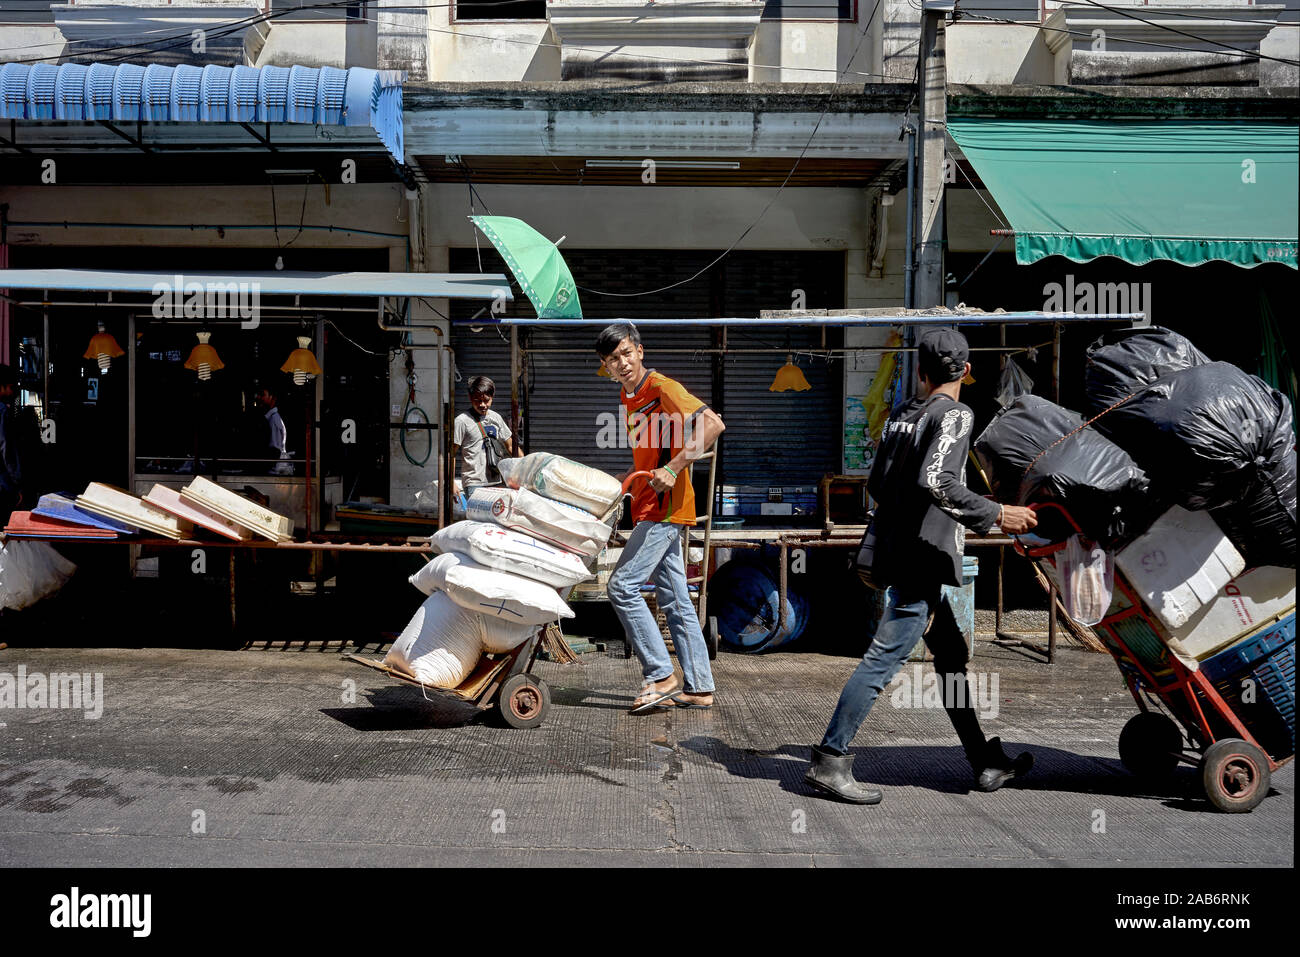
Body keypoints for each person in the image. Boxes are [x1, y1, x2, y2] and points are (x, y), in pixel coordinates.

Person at [804, 328, 1040, 804]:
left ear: (920, 370)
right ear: (967, 372)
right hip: (921, 560)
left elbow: (879, 482)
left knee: (950, 659)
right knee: (882, 659)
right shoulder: (954, 414)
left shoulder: (901, 416)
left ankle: (984, 759)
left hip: (901, 552)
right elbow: (938, 481)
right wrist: (998, 514)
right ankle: (830, 759)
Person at [596, 323, 725, 713]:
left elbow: (713, 424)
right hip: (649, 505)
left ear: (640, 350)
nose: (622, 363)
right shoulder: (628, 394)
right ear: (607, 365)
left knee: (622, 586)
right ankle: (700, 686)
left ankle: (659, 674)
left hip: (667, 509)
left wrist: (674, 467)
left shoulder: (661, 388)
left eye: (626, 353)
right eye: (613, 359)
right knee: (676, 600)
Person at [451, 375, 520, 498]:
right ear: (470, 398)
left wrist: (527, 468)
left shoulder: (496, 418)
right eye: (477, 400)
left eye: (486, 400)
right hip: (474, 483)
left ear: (492, 397)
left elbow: (510, 446)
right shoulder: (461, 421)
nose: (482, 405)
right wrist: (450, 482)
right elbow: (450, 453)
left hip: (497, 481)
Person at [0, 364, 24, 525]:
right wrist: (17, 482)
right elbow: (6, 448)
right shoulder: (2, 411)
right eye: (9, 387)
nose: (12, 392)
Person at [256, 385, 293, 476]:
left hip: (279, 462)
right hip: (277, 460)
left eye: (263, 395)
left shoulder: (276, 417)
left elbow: (281, 439)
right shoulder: (271, 416)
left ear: (271, 397)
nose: (260, 397)